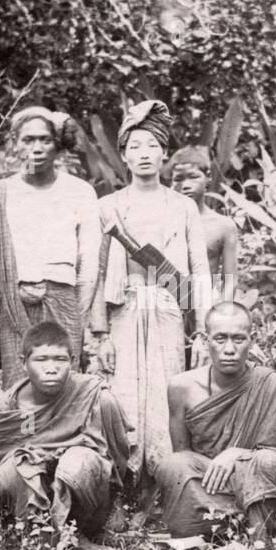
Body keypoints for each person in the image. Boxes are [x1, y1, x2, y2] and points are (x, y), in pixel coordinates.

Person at [92, 100, 212, 493]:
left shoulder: (182, 207)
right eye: (135, 146)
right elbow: (96, 274)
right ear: (123, 155)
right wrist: (100, 333)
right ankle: (122, 485)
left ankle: (165, 485)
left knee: (167, 394)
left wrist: (206, 329)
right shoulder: (109, 207)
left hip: (166, 310)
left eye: (151, 146)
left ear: (163, 152)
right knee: (121, 395)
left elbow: (200, 271)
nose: (144, 154)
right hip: (124, 312)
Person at [157, 301, 276, 541]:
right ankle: (224, 528)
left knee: (266, 461)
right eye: (220, 339)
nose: (229, 349)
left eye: (238, 339)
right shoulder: (181, 388)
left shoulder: (273, 385)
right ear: (206, 341)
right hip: (212, 487)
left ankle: (257, 535)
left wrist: (238, 454)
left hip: (261, 488)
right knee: (174, 465)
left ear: (253, 339)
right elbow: (184, 456)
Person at [0, 107, 101, 387]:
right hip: (12, 303)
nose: (37, 148)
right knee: (19, 389)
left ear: (57, 145)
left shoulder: (80, 192)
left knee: (63, 388)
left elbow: (89, 265)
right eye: (28, 140)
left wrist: (78, 325)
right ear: (14, 144)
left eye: (45, 140)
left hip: (63, 303)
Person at [0, 321, 134, 542]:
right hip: (32, 494)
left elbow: (116, 454)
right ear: (24, 363)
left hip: (81, 491)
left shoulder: (91, 394)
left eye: (60, 359)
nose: (51, 368)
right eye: (41, 360)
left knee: (76, 461)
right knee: (13, 470)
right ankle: (37, 537)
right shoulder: (6, 411)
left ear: (72, 362)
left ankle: (80, 533)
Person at [166, 145, 239, 302]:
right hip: (165, 310)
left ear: (208, 178)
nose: (185, 185)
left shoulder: (223, 226)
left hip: (204, 306)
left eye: (193, 177)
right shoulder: (162, 222)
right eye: (178, 179)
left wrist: (220, 314)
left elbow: (230, 281)